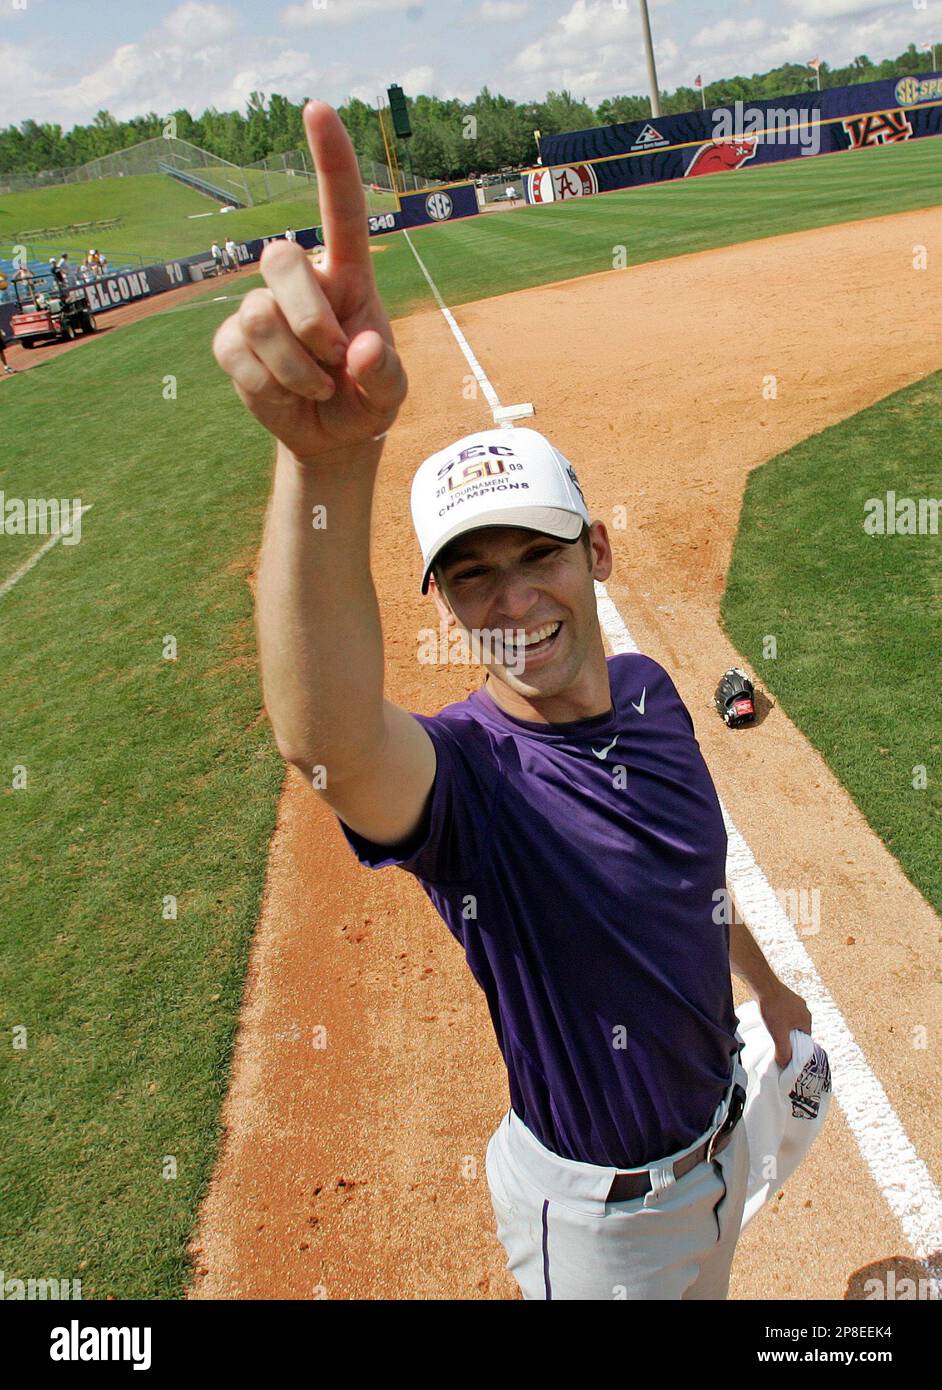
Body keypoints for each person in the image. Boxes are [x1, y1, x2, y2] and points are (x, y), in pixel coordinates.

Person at [212, 100, 816, 1302]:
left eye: (533, 555)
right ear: (441, 604)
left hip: (724, 1154)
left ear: (595, 551)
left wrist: (766, 978)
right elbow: (327, 743)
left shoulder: (650, 693)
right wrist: (325, 467)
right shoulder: (472, 784)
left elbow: (685, 878)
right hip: (604, 1239)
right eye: (469, 575)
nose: (508, 600)